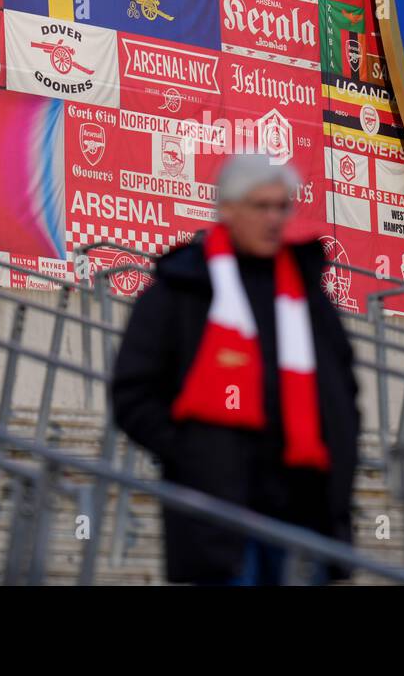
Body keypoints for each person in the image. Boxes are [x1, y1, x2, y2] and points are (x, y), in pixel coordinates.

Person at [111, 153, 361, 585]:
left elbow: (342, 388)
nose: (273, 219)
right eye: (260, 206)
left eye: (282, 206)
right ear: (226, 209)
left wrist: (340, 459)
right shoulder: (183, 286)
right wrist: (192, 454)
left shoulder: (306, 288)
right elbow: (134, 393)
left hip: (303, 509)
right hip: (219, 510)